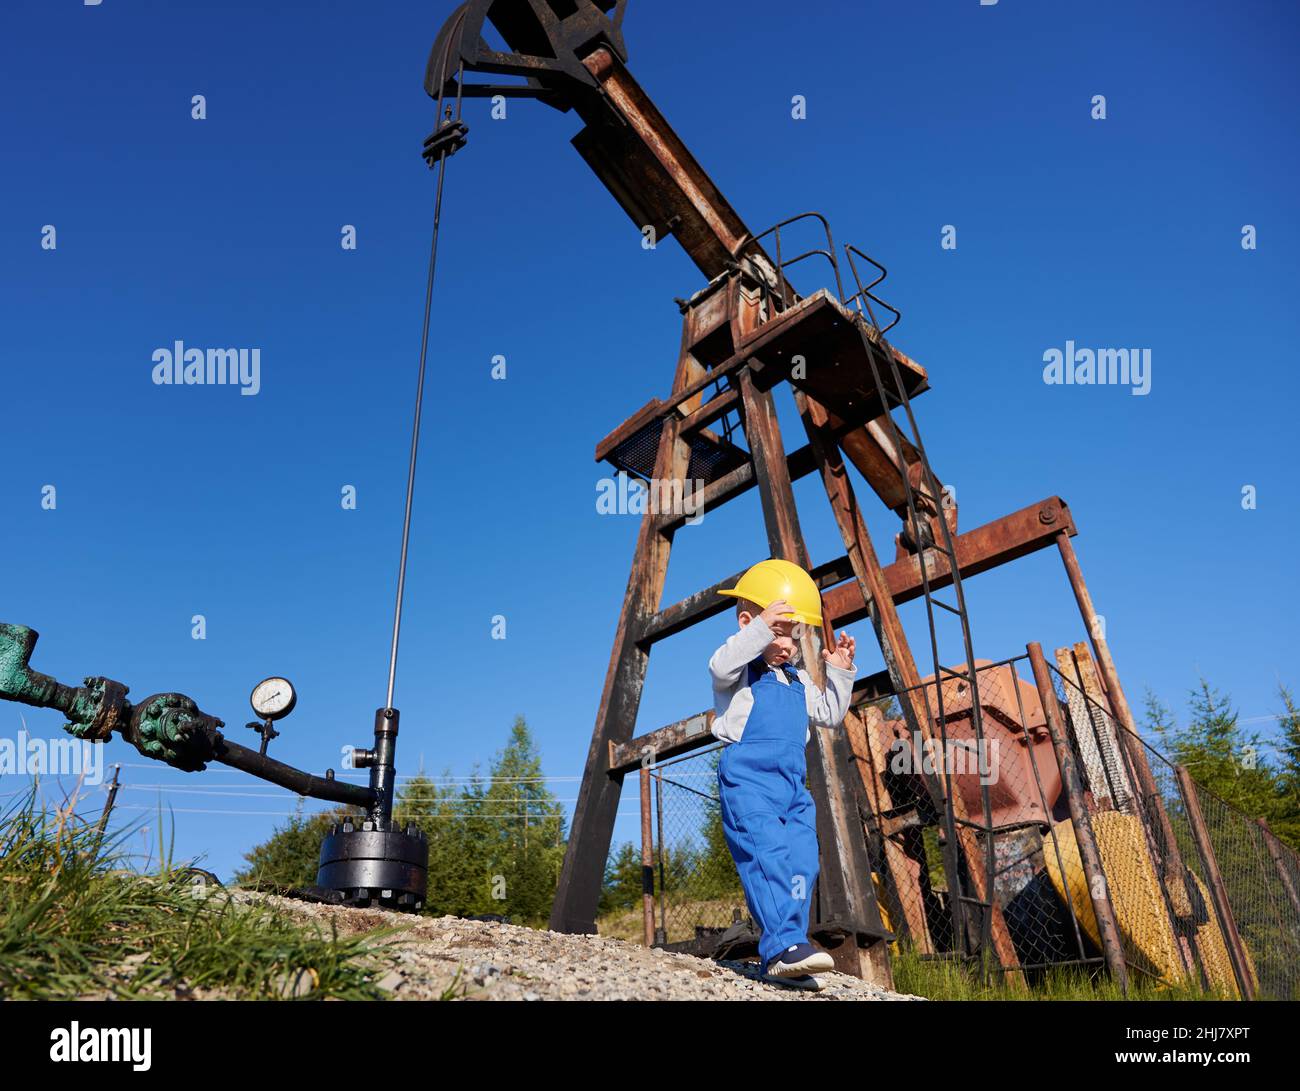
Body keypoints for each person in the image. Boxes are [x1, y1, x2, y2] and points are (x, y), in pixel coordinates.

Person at [709, 558, 857, 977]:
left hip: (792, 785)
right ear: (747, 623)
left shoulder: (797, 680)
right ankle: (782, 945)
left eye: (795, 636)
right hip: (748, 781)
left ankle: (789, 947)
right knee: (767, 853)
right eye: (779, 632)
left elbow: (828, 713)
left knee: (803, 858)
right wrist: (759, 632)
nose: (789, 645)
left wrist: (841, 673)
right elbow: (718, 666)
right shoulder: (737, 672)